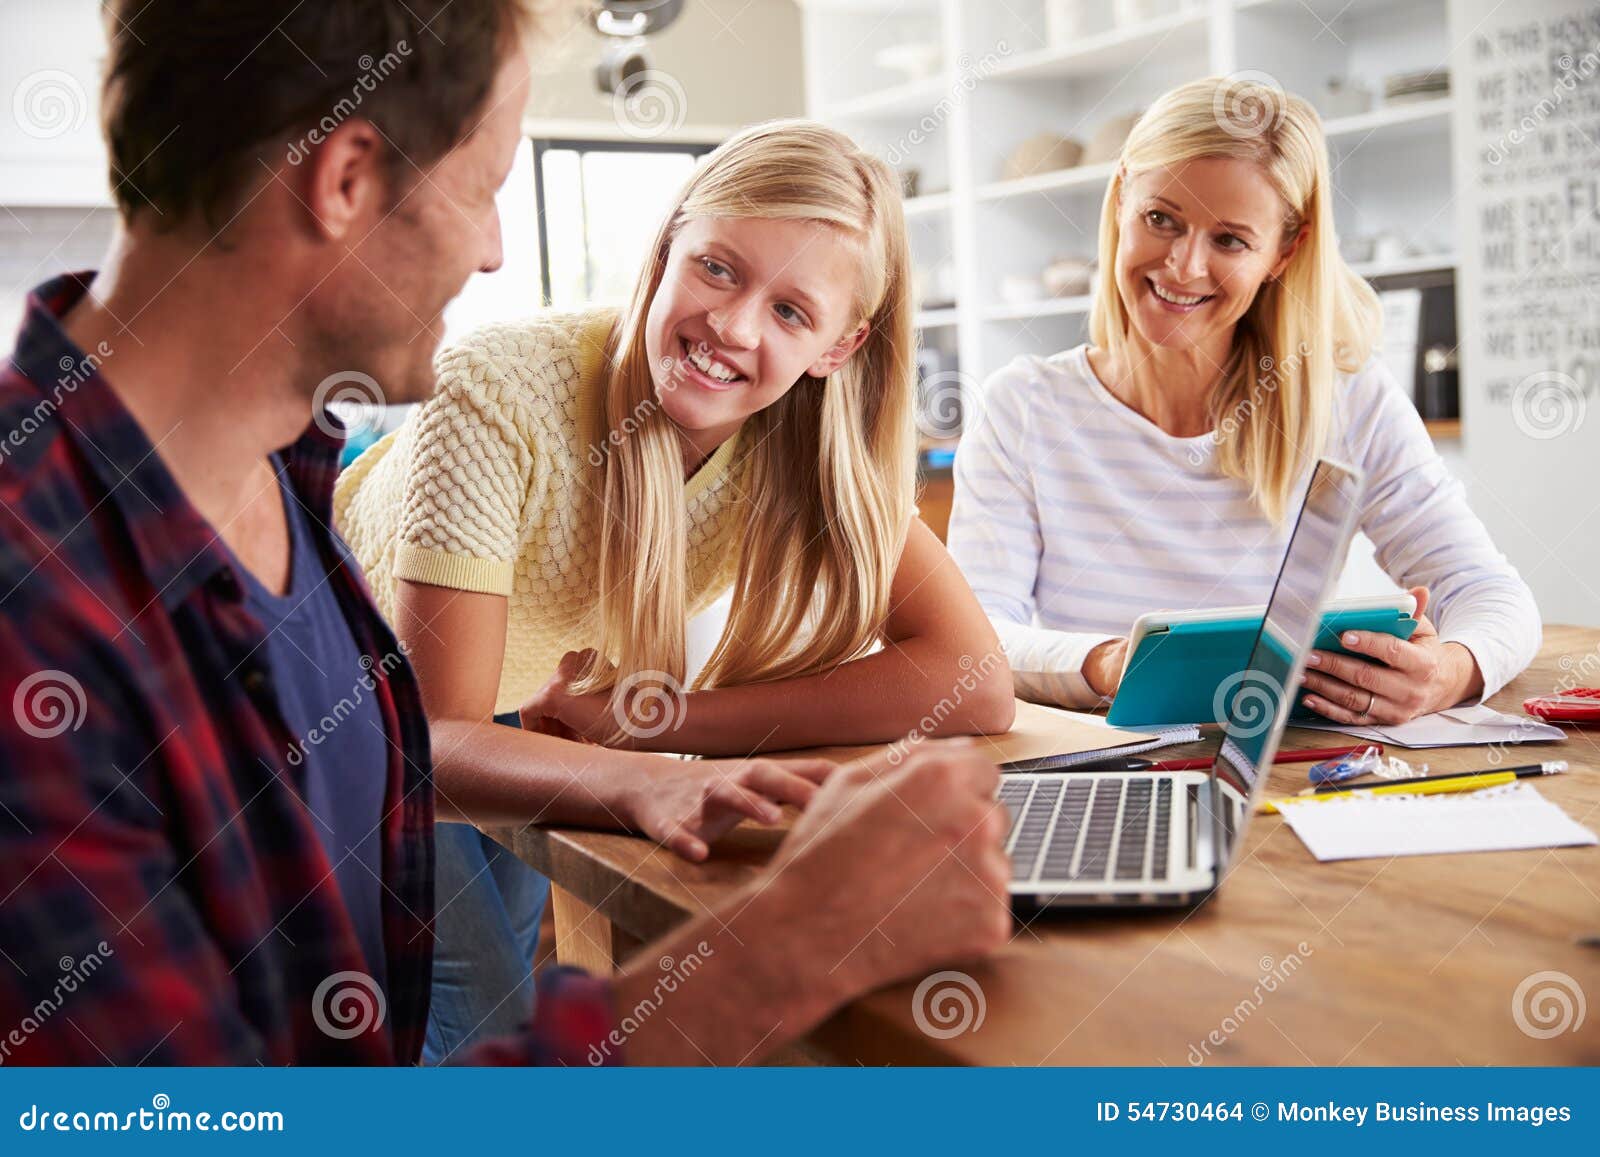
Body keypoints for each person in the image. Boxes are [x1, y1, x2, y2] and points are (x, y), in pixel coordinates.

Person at [0, 0, 1011, 1067]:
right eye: (486, 190)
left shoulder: (279, 487)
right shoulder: (42, 617)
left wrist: (654, 764)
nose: (492, 252)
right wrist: (779, 953)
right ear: (345, 179)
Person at [332, 122, 1014, 1057]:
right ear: (666, 249)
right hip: (348, 713)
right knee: (480, 1004)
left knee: (515, 998)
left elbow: (971, 678)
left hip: (517, 710)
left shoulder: (801, 443)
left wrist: (661, 723)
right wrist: (645, 772)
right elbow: (428, 736)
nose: (733, 327)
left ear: (838, 345)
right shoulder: (498, 390)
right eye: (720, 269)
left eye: (791, 311)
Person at [948, 76, 1539, 725]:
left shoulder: (1347, 399)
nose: (1183, 266)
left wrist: (1448, 672)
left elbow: (1489, 593)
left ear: (1285, 251)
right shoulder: (1023, 407)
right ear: (1120, 198)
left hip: (1279, 763)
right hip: (1092, 760)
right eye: (1160, 218)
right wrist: (1113, 662)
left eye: (1229, 240)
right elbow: (974, 641)